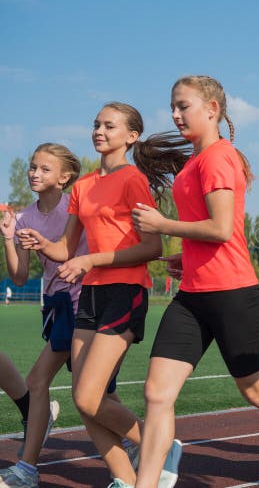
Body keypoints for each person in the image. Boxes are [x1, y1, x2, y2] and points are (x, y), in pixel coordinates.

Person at [131, 75, 259, 488]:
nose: (175, 114)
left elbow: (221, 229)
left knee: (256, 391)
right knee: (157, 393)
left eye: (183, 106)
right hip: (192, 298)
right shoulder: (193, 163)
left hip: (233, 293)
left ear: (212, 110)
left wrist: (163, 225)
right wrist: (187, 257)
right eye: (173, 106)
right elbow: (220, 231)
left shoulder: (219, 157)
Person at [17, 104, 167, 488]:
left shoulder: (134, 180)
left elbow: (153, 247)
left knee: (89, 396)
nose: (99, 130)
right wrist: (41, 244)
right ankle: (125, 477)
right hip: (90, 295)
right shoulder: (82, 187)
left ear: (131, 137)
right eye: (96, 124)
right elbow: (67, 250)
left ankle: (157, 444)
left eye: (109, 125)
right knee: (86, 401)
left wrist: (91, 259)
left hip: (125, 291)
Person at [0, 143, 84, 487]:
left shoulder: (75, 208)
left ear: (64, 177)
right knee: (94, 394)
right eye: (32, 167)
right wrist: (8, 238)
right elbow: (19, 276)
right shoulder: (24, 218)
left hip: (85, 304)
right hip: (56, 309)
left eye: (44, 169)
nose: (34, 173)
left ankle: (26, 470)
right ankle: (143, 447)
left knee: (45, 384)